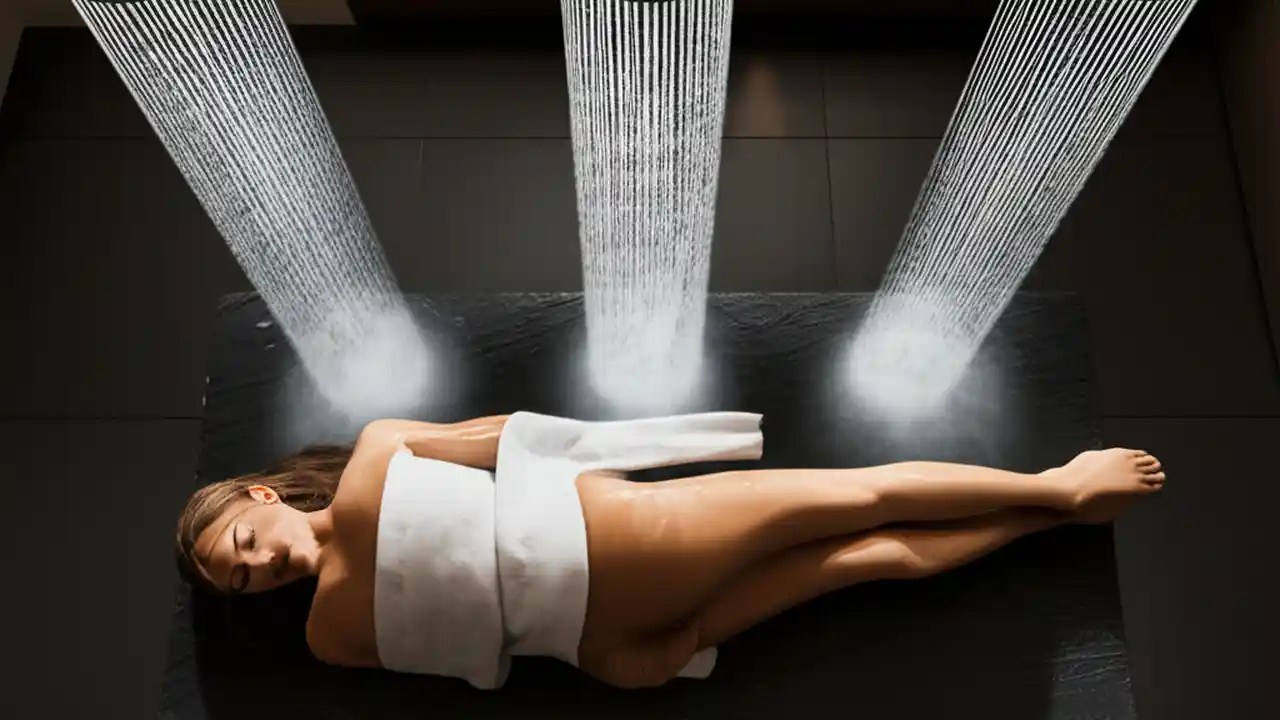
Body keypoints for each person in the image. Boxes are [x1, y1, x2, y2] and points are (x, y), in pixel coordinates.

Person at [175, 411, 1164, 690]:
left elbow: (508, 440)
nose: (257, 567)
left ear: (262, 496)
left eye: (243, 543)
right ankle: (1057, 490)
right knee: (854, 504)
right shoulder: (366, 491)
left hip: (612, 655)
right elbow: (517, 439)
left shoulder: (334, 628)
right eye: (240, 579)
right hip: (619, 555)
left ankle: (1049, 515)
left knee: (863, 559)